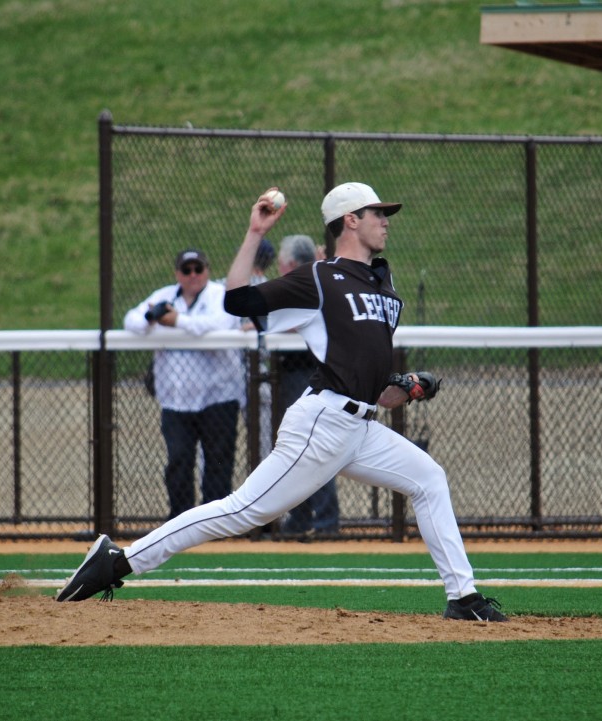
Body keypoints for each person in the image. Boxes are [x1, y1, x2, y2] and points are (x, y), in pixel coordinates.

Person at [57, 182, 507, 622]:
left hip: (360, 425)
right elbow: (237, 301)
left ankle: (462, 597)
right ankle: (119, 562)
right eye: (377, 213)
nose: (385, 221)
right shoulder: (319, 279)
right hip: (323, 422)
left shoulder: (383, 286)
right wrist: (256, 233)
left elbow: (376, 393)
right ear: (350, 220)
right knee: (243, 510)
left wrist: (406, 387)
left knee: (429, 478)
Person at [123, 249, 245, 519]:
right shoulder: (165, 296)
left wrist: (176, 321)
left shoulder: (219, 294)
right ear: (177, 273)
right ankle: (181, 520)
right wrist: (151, 319)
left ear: (207, 270)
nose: (192, 275)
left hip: (219, 394)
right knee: (178, 459)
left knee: (218, 461)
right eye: (186, 270)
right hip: (176, 399)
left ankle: (215, 522)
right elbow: (131, 320)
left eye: (198, 269)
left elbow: (220, 323)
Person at [272, 234, 340, 537]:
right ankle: (300, 520)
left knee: (314, 448)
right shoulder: (315, 278)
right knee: (298, 449)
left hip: (306, 373)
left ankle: (324, 522)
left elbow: (284, 321)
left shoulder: (305, 282)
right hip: (296, 373)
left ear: (287, 264)